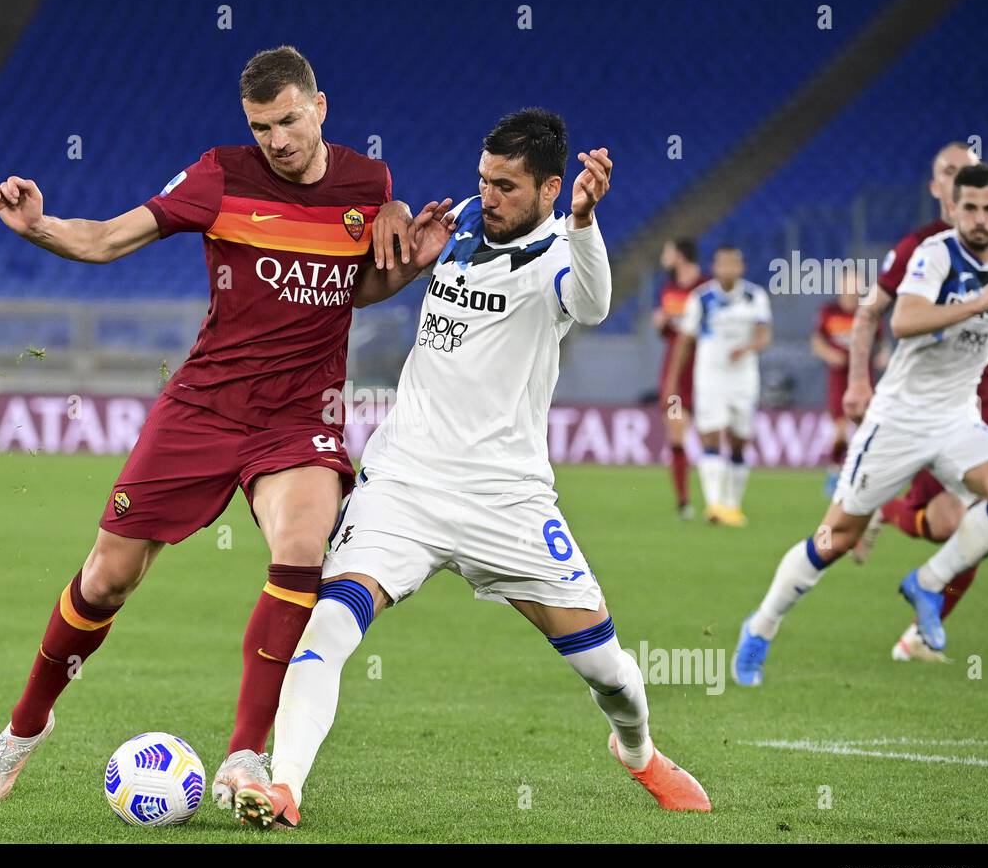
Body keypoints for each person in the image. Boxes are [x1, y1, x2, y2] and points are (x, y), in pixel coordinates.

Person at [0, 46, 432, 806]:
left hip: (299, 416)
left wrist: (408, 259)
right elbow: (110, 238)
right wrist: (39, 226)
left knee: (302, 550)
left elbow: (352, 288)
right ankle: (24, 727)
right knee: (107, 578)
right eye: (261, 126)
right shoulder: (220, 174)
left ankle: (246, 756)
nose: (276, 140)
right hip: (204, 407)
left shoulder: (368, 183)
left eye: (287, 121)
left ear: (319, 108)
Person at [230, 109, 710, 830]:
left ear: (552, 189)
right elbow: (375, 252)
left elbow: (596, 303)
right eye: (484, 179)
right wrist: (387, 212)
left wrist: (584, 221)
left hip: (506, 500)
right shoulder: (456, 222)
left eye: (508, 187)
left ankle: (638, 753)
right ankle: (285, 786)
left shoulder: (559, 256)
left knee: (608, 672)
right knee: (327, 626)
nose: (488, 196)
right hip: (404, 483)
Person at [733, 163, 988, 686]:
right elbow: (903, 319)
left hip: (958, 420)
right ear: (953, 211)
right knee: (834, 538)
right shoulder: (934, 256)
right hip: (898, 421)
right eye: (970, 208)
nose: (980, 218)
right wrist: (980, 301)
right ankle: (761, 626)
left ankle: (928, 582)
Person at [843, 142, 988, 662]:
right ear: (938, 189)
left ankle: (920, 632)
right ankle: (883, 510)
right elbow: (872, 313)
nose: (963, 183)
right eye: (950, 173)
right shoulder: (916, 246)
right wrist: (858, 379)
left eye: (970, 175)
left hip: (981, 402)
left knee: (987, 520)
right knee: (945, 524)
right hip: (922, 404)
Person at [663, 246, 771, 527]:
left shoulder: (755, 297)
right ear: (715, 267)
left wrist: (747, 347)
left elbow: (763, 337)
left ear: (741, 267)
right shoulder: (702, 299)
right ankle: (714, 505)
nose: (728, 270)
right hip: (710, 375)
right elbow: (684, 342)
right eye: (723, 264)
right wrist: (673, 382)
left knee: (738, 440)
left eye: (733, 264)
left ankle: (733, 505)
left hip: (743, 378)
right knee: (709, 435)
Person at [810, 266, 884, 496]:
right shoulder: (829, 312)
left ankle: (861, 474)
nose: (851, 290)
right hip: (839, 380)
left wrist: (883, 356)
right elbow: (817, 342)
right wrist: (831, 355)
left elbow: (882, 344)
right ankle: (834, 472)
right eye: (848, 285)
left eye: (856, 285)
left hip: (864, 378)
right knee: (840, 430)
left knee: (865, 429)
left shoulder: (868, 312)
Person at [654, 238, 705, 518]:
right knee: (676, 434)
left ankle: (720, 499)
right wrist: (661, 324)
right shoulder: (668, 289)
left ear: (680, 256)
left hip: (706, 369)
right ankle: (684, 501)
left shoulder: (707, 287)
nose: (664, 256)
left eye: (667, 251)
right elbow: (669, 332)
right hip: (675, 373)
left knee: (713, 434)